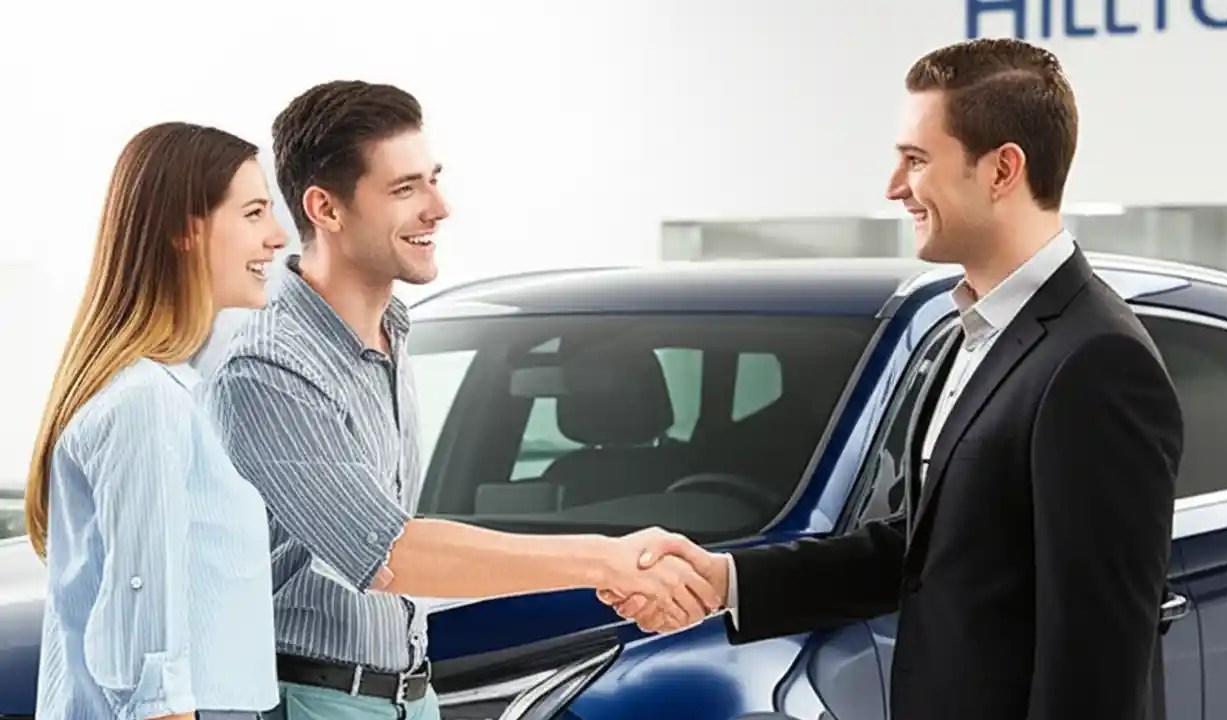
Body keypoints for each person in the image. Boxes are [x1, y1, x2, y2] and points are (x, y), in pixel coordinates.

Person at [605, 38, 1185, 720]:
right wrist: (726, 580)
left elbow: (1098, 659)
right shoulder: (962, 336)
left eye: (916, 160)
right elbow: (922, 551)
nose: (893, 187)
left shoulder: (1097, 364)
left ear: (1002, 170)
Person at [202, 80, 715, 720]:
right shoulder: (269, 368)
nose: (439, 207)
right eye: (405, 188)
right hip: (313, 699)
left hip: (410, 693)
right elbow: (390, 555)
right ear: (326, 209)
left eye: (433, 178)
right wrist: (609, 560)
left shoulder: (393, 328)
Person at [26, 122, 289, 719]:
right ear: (184, 230)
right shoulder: (147, 404)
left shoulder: (173, 393)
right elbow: (150, 670)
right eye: (253, 213)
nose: (276, 237)